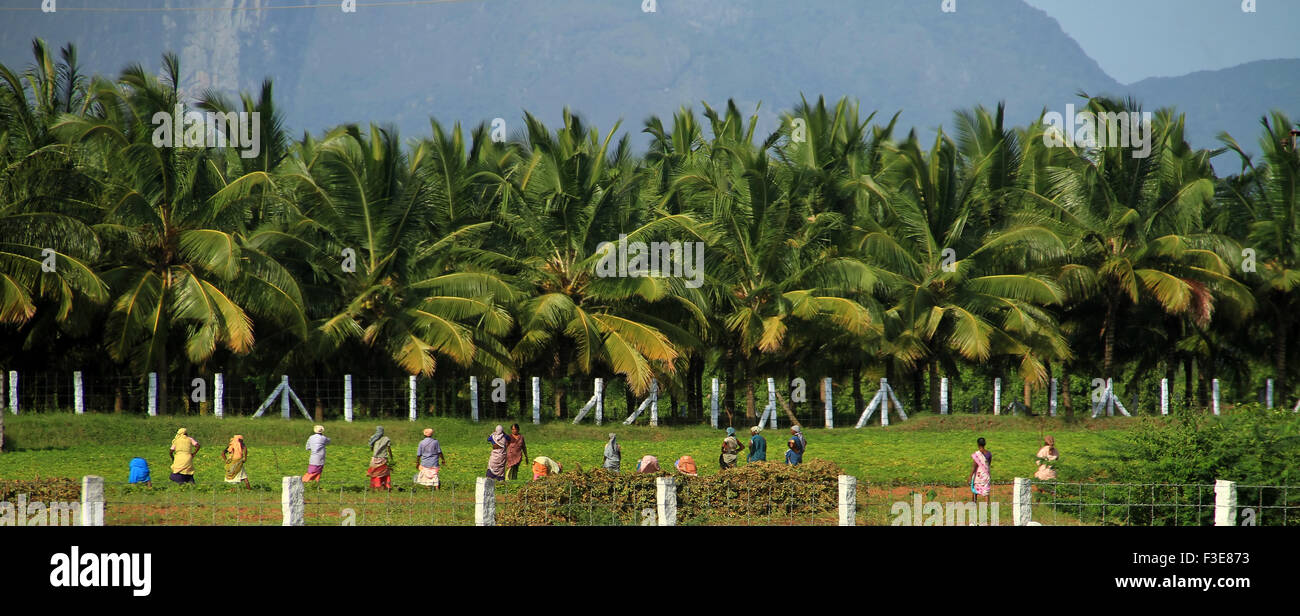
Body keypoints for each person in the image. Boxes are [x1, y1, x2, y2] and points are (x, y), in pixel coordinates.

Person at [367, 426, 393, 491]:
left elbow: (371, 449)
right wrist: (391, 457)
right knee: (384, 474)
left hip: (374, 460)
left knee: (375, 474)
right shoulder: (386, 439)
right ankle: (385, 486)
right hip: (383, 459)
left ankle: (376, 486)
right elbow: (389, 449)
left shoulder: (373, 438)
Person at [969, 437, 993, 504]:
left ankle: (974, 503)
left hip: (978, 474)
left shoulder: (977, 455)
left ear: (978, 444)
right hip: (986, 474)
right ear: (985, 444)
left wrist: (970, 475)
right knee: (986, 490)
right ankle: (987, 505)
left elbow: (974, 466)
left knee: (975, 489)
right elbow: (988, 464)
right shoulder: (989, 454)